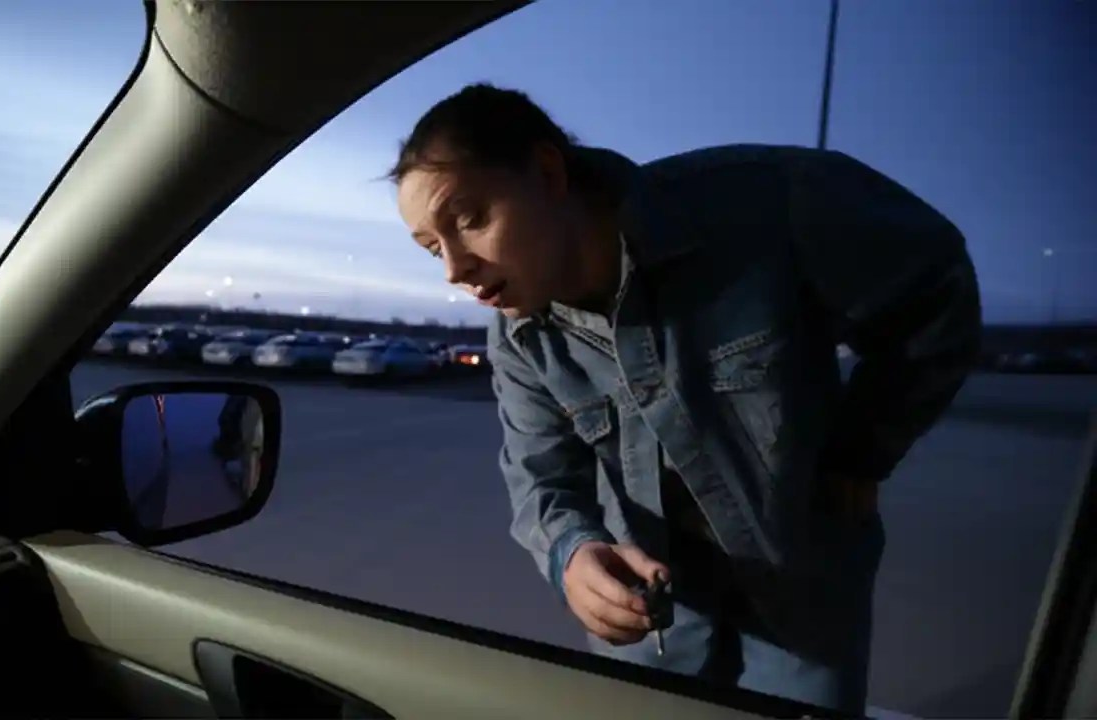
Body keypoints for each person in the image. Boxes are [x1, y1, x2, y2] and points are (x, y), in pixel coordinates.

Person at [390, 83, 981, 714]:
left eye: (470, 220)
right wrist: (572, 555)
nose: (454, 269)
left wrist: (864, 448)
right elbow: (538, 477)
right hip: (650, 630)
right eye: (432, 248)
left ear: (547, 171)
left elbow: (934, 288)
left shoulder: (767, 206)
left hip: (801, 608)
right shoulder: (518, 336)